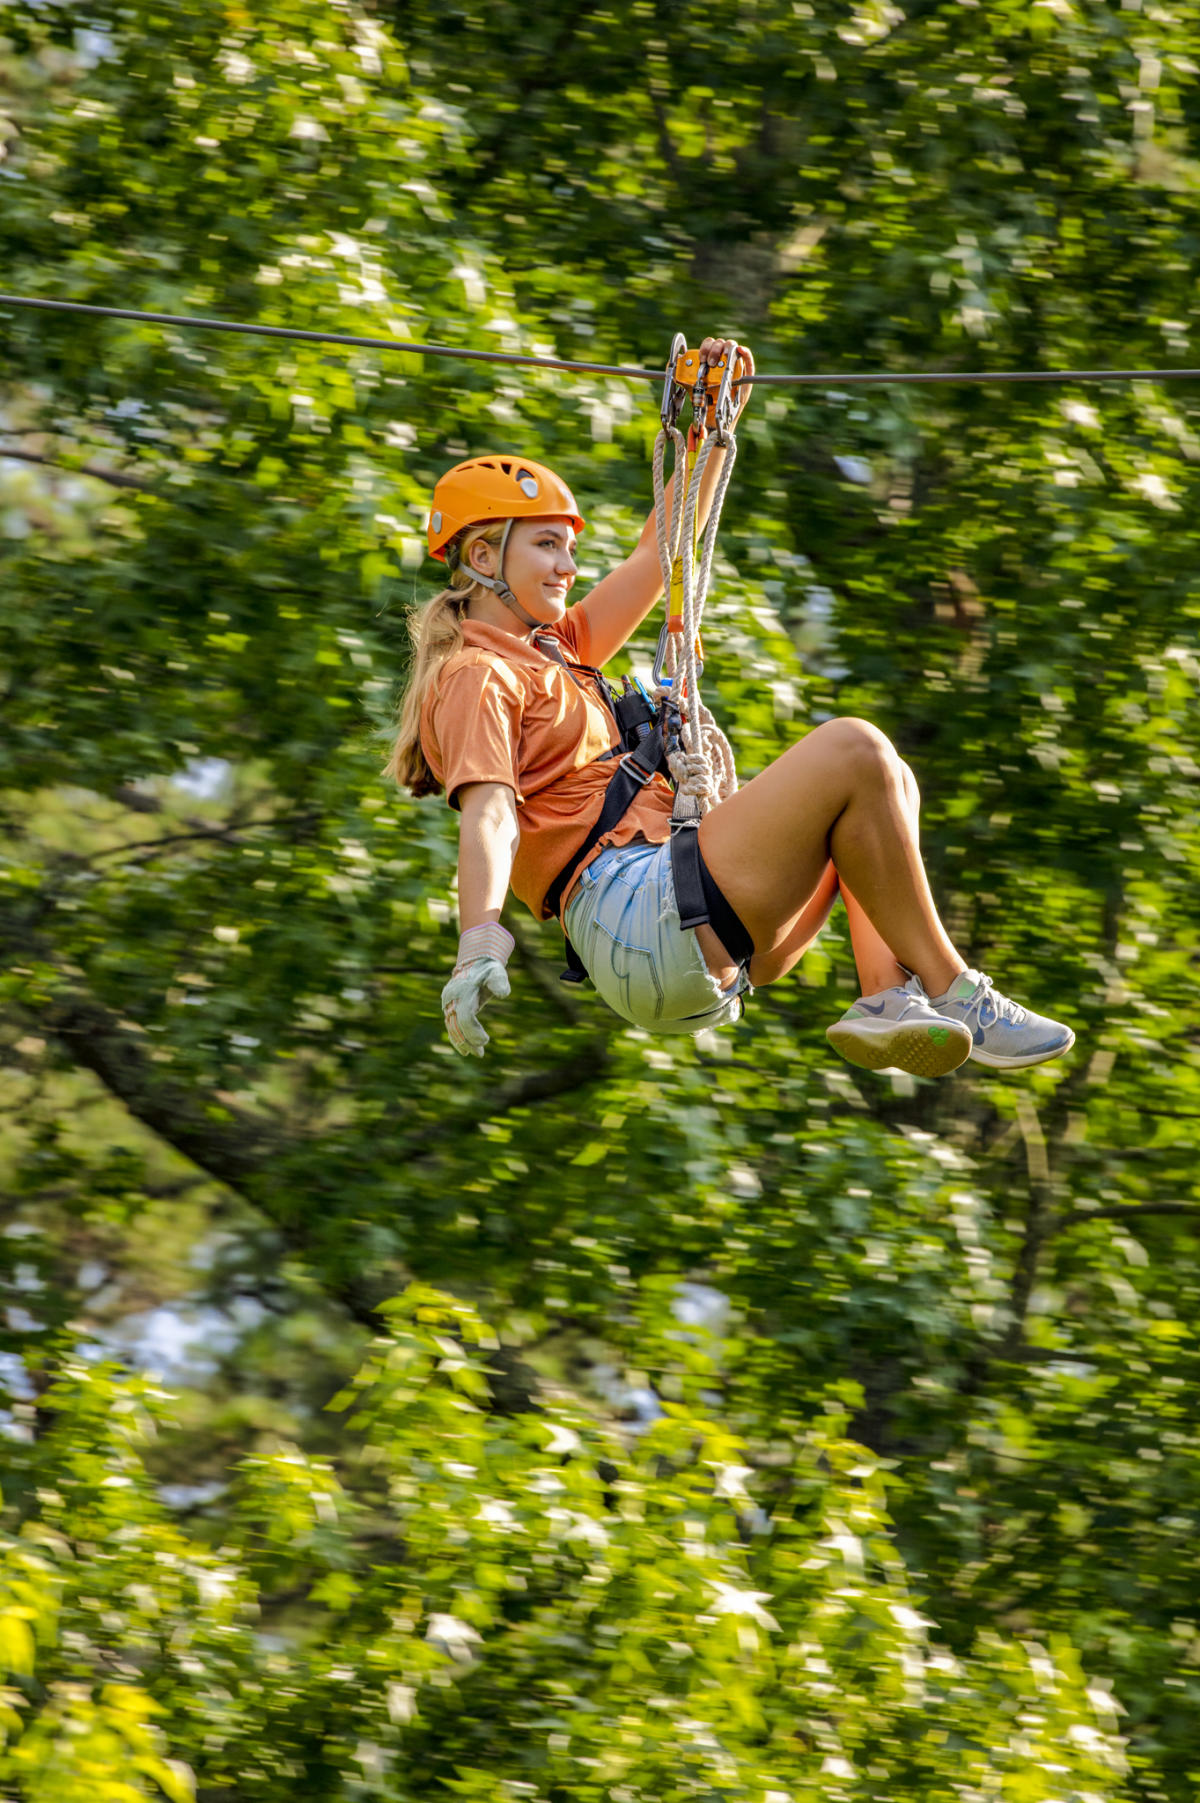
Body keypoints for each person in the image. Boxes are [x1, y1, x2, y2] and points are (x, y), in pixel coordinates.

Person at [389, 336, 1073, 1078]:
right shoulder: (475, 673)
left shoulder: (563, 649)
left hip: (692, 935)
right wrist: (478, 939)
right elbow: (489, 811)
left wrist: (711, 426)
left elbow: (662, 551)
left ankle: (886, 996)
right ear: (485, 558)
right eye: (547, 545)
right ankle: (957, 988)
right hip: (641, 916)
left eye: (569, 548)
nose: (568, 564)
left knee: (887, 787)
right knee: (855, 750)